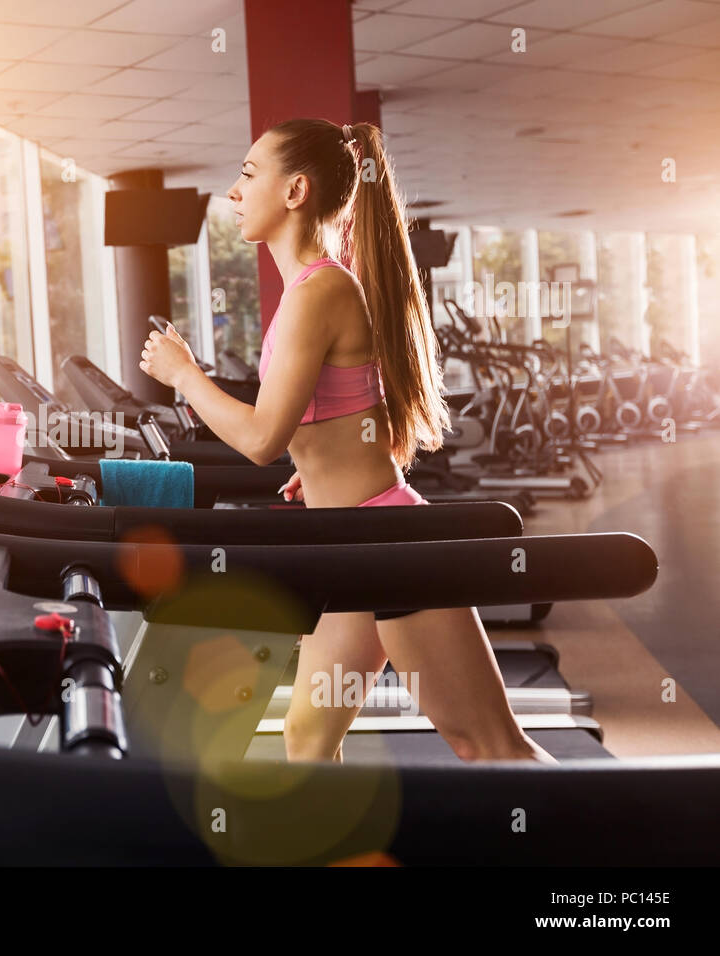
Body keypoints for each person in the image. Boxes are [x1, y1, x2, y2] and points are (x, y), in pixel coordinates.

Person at [139, 119, 556, 765]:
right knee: (307, 742)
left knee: (491, 747)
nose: (233, 192)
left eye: (249, 174)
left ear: (296, 189)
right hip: (348, 543)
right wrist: (317, 461)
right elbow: (335, 413)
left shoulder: (321, 288)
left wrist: (184, 373)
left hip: (387, 544)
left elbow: (258, 438)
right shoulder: (308, 290)